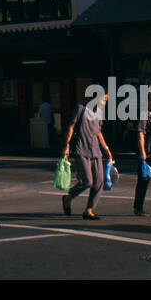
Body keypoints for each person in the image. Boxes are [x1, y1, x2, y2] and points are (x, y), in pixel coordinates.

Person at [62, 92, 113, 220]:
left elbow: (98, 132)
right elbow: (71, 126)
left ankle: (89, 210)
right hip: (81, 149)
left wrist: (106, 148)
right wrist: (66, 145)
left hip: (96, 151)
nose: (105, 103)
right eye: (104, 100)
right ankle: (68, 197)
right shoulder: (81, 108)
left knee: (99, 181)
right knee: (87, 181)